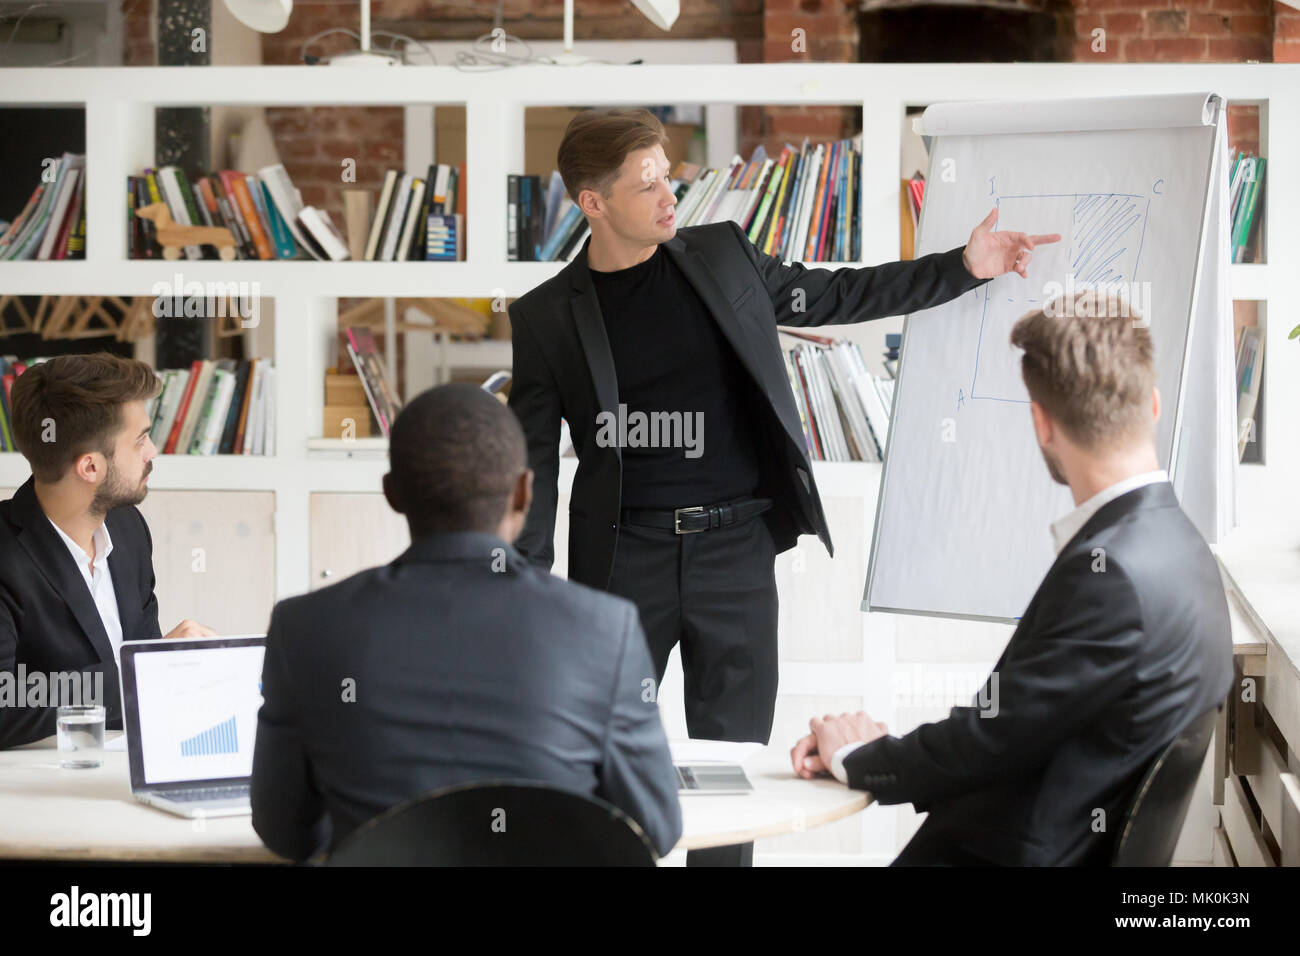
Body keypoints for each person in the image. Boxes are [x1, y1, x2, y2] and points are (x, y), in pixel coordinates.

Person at [506, 106, 1059, 864]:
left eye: (668, 174)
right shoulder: (546, 319)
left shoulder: (723, 257)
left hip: (735, 552)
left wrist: (964, 266)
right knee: (599, 761)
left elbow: (838, 295)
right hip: (620, 560)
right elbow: (528, 466)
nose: (671, 195)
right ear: (593, 203)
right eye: (647, 185)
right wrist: (523, 591)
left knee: (733, 776)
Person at [790, 288, 1234, 865]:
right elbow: (1014, 730)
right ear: (1151, 404)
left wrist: (857, 755)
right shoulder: (1184, 551)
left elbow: (986, 743)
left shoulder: (1113, 577)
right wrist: (876, 749)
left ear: (1042, 424)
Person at [250, 383, 682, 862]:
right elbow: (655, 829)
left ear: (392, 494)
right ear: (524, 493)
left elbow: (284, 831)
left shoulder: (305, 628)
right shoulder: (605, 628)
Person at [0, 353, 213, 750]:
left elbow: (142, 669)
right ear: (90, 468)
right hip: (41, 792)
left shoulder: (127, 528)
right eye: (140, 440)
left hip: (131, 768)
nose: (152, 452)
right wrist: (141, 673)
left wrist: (176, 667)